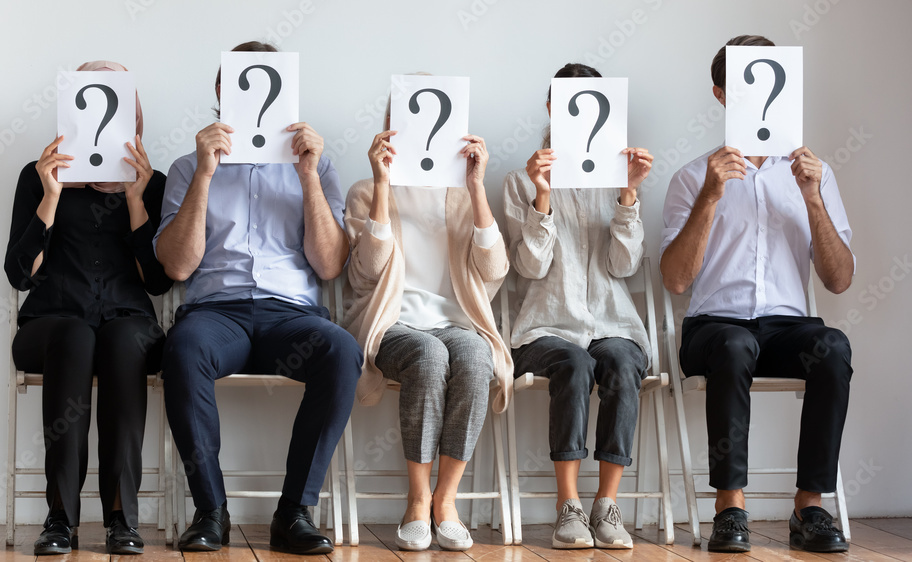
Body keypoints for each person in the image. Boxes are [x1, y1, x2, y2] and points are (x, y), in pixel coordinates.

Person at [154, 41, 362, 555]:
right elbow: (177, 265)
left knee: (340, 350)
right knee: (181, 351)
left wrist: (308, 176)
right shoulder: (186, 167)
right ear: (222, 95)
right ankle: (211, 512)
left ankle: (293, 512)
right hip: (215, 315)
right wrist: (205, 173)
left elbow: (331, 264)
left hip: (291, 317)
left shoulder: (320, 166)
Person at [660, 35, 854, 554]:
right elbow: (677, 281)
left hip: (789, 326)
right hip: (714, 327)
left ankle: (809, 506)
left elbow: (838, 279)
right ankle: (731, 507)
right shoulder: (690, 178)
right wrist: (710, 193)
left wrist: (813, 198)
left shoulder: (814, 174)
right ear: (722, 94)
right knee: (733, 346)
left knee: (833, 347)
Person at [4, 60, 171, 556]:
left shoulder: (154, 182)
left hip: (127, 322)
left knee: (123, 341)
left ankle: (121, 517)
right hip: (51, 325)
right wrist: (51, 195)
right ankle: (60, 517)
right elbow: (20, 273)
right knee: (77, 337)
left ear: (135, 123)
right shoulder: (36, 179)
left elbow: (158, 282)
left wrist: (137, 200)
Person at [342, 100, 512, 551]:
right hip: (392, 324)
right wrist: (382, 183)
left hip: (455, 323)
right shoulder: (365, 191)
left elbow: (494, 270)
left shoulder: (461, 194)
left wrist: (476, 187)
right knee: (429, 354)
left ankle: (445, 501)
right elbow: (368, 270)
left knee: (477, 356)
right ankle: (417, 500)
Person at [503, 63, 654, 550]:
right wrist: (542, 198)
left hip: (612, 324)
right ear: (552, 108)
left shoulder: (615, 180)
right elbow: (528, 267)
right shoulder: (520, 182)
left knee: (623, 360)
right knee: (573, 359)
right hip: (545, 329)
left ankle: (607, 505)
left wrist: (627, 195)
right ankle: (567, 505)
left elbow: (624, 265)